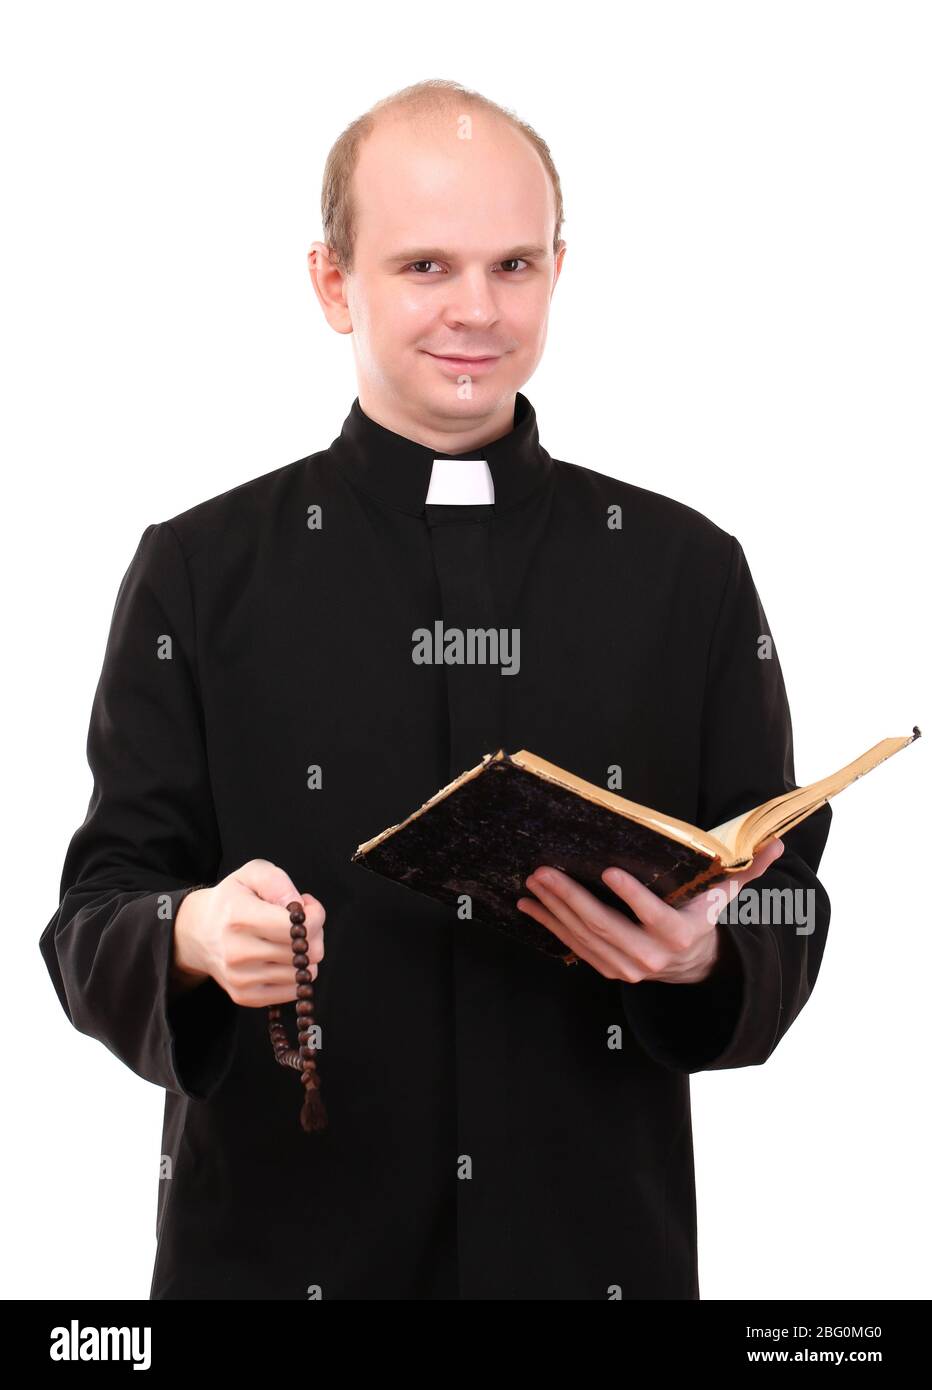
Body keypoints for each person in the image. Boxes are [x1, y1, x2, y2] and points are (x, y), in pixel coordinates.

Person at [40, 77, 832, 1300]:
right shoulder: (199, 572)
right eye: (424, 266)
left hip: (592, 1258)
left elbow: (789, 896)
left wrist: (700, 957)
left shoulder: (687, 571)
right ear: (331, 282)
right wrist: (196, 932)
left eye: (513, 265)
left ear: (560, 269)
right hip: (273, 1255)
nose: (476, 310)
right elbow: (93, 915)